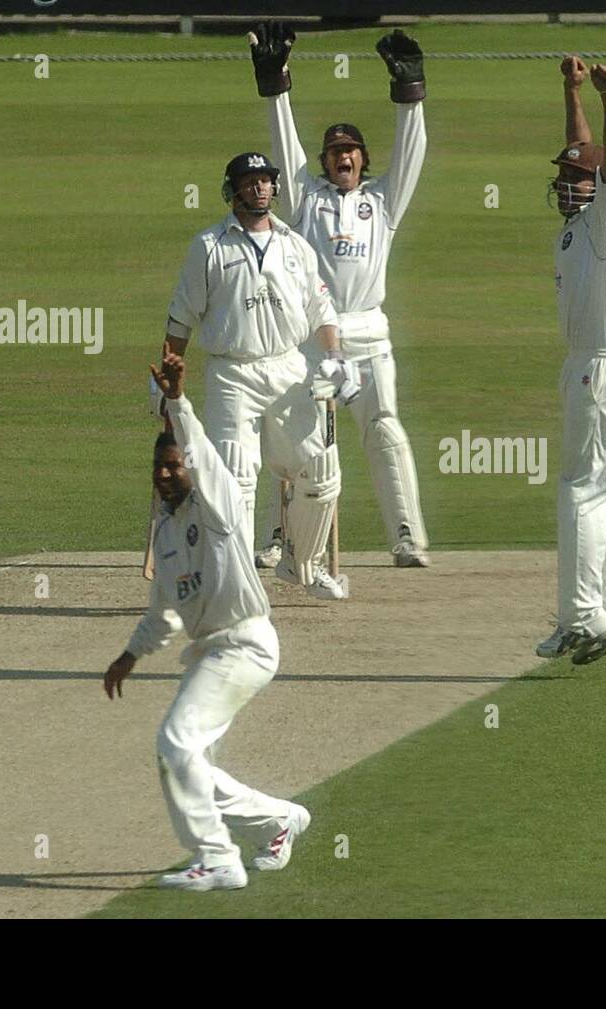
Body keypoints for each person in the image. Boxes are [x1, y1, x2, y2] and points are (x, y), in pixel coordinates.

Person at [107, 346, 311, 892]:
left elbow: (198, 450)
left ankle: (218, 857)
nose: (168, 473)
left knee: (175, 742)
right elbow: (164, 612)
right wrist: (129, 654)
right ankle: (277, 820)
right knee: (182, 759)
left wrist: (176, 400)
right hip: (210, 652)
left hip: (245, 644)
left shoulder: (214, 504)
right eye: (160, 468)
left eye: (174, 465)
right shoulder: (168, 533)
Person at [247, 22, 433, 570]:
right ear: (325, 161)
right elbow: (286, 145)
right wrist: (276, 83)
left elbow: (412, 151)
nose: (342, 157)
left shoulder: (384, 201)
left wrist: (411, 93)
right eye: (334, 151)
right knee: (294, 437)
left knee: (384, 430)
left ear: (362, 157)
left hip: (370, 335)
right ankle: (280, 536)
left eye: (351, 150)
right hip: (312, 338)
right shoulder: (306, 196)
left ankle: (405, 536)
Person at [159, 150, 359, 600]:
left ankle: (301, 565)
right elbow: (180, 321)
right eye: (250, 181)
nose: (260, 187)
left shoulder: (295, 245)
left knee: (322, 471)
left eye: (266, 180)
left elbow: (321, 309)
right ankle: (235, 585)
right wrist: (167, 391)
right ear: (232, 191)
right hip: (232, 372)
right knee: (234, 478)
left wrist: (335, 357)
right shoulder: (208, 246)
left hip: (288, 367)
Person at [535, 58, 606, 665]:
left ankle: (582, 618)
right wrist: (572, 91)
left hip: (598, 369)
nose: (565, 181)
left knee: (581, 489)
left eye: (573, 178)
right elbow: (584, 149)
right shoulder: (578, 223)